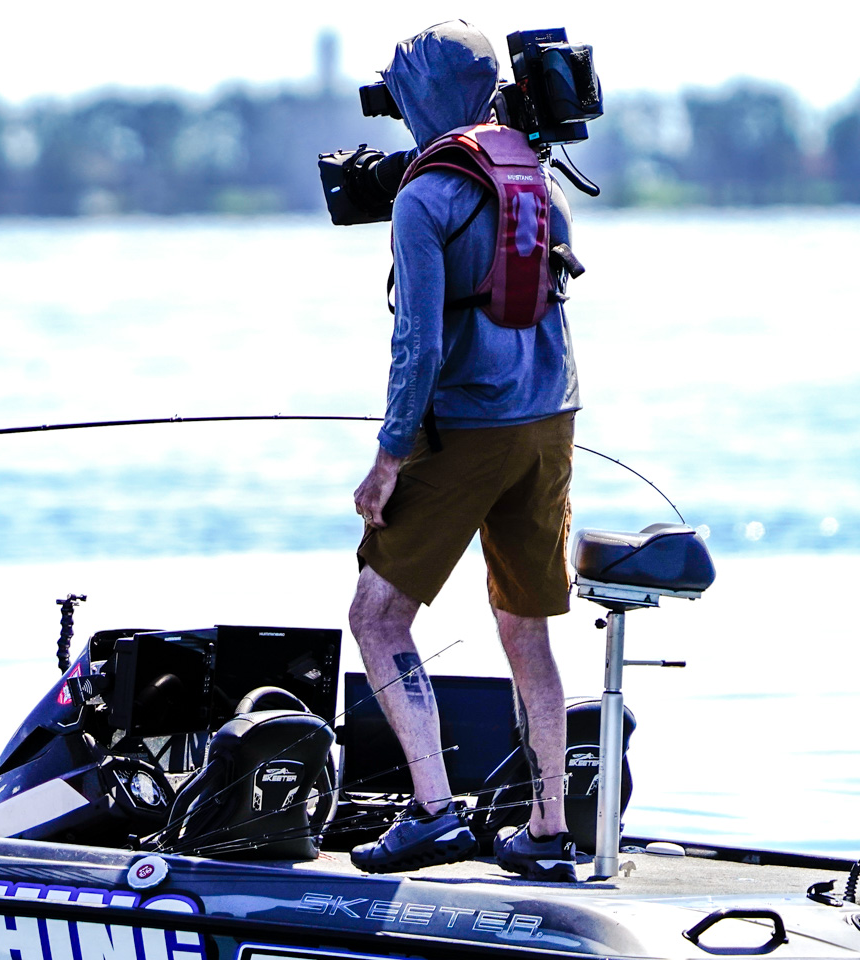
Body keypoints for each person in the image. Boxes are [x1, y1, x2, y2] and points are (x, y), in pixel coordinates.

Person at [347, 22, 582, 881]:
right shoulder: (536, 173)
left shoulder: (424, 196)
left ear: (418, 94)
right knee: (525, 623)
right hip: (551, 422)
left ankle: (434, 813)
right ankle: (549, 827)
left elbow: (417, 344)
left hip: (468, 431)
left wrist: (388, 456)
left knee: (376, 616)